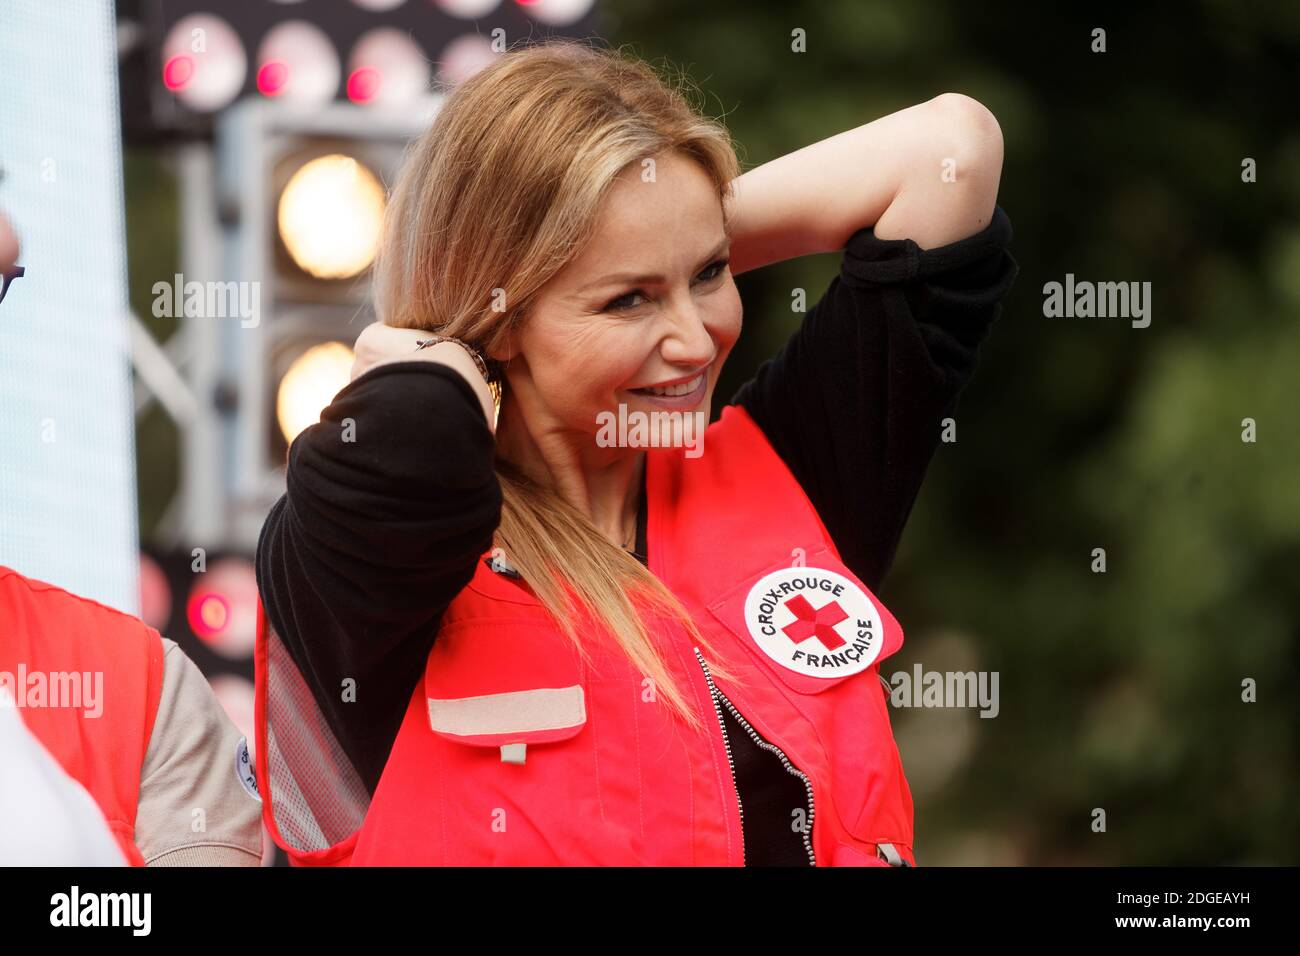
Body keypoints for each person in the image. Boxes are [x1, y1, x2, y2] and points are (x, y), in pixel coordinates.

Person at [254, 39, 1018, 866]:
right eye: (629, 301)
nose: (695, 341)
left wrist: (658, 226)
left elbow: (953, 155)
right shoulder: (376, 558)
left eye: (710, 275)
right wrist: (467, 323)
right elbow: (415, 429)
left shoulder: (793, 471)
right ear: (500, 318)